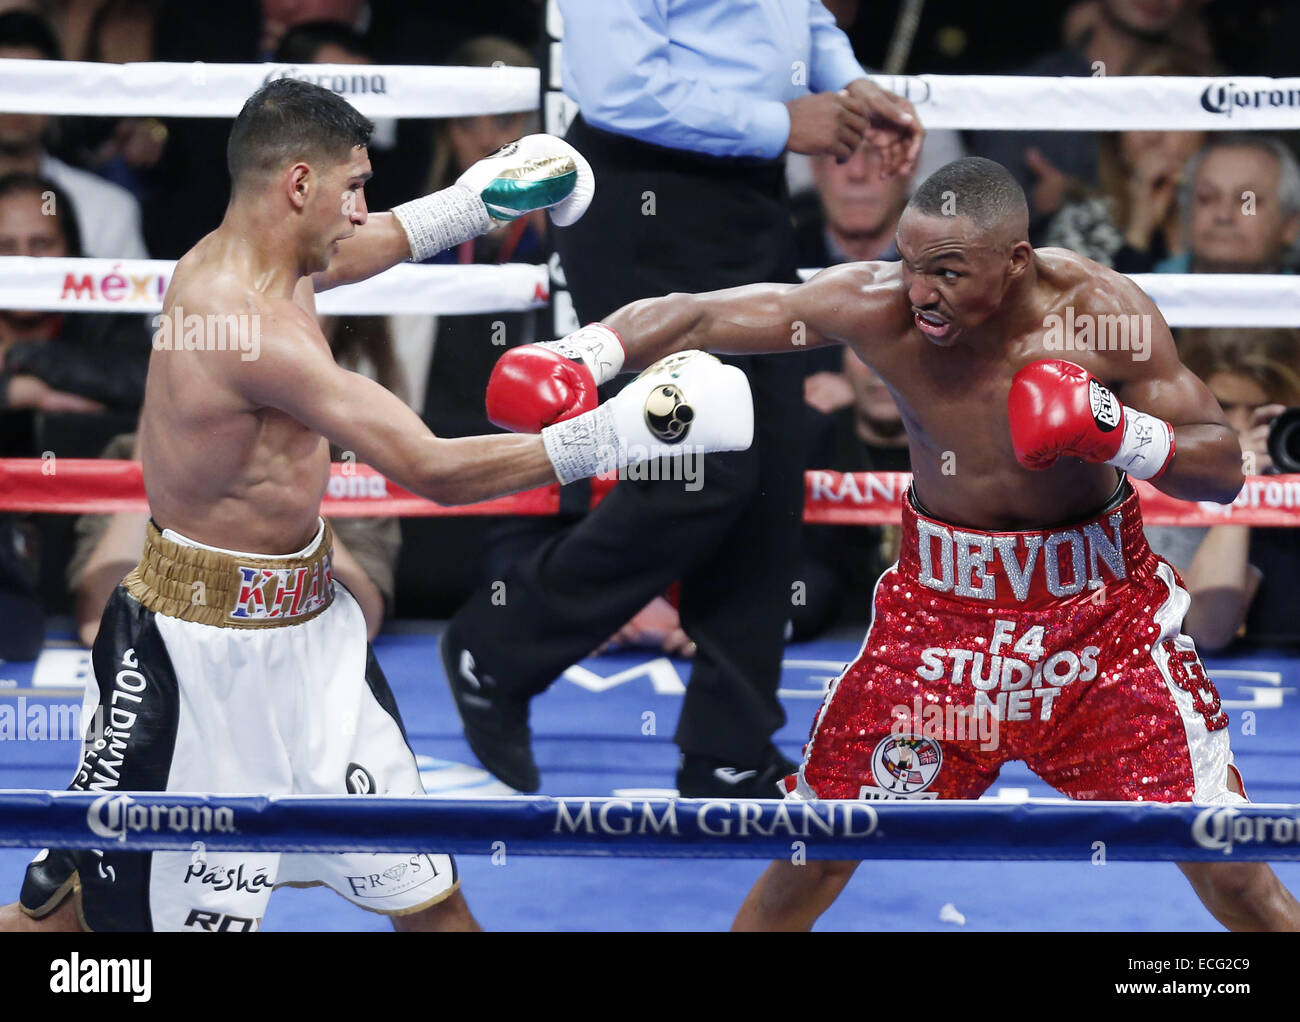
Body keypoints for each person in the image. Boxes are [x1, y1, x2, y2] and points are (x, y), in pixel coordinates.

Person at [0, 77, 753, 933]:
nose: (362, 209)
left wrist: (483, 198)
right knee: (79, 930)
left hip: (312, 630)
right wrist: (626, 432)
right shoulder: (247, 325)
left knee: (428, 897)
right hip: (196, 658)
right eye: (352, 187)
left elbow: (381, 239)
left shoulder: (264, 256)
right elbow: (429, 468)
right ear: (297, 186)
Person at [488, 156, 1300, 931]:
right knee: (809, 861)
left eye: (947, 270)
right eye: (910, 263)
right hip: (939, 630)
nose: (920, 292)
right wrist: (585, 354)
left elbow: (1222, 469)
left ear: (1017, 260)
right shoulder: (876, 305)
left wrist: (1118, 432)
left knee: (1228, 866)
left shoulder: (1101, 315)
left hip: (1100, 629)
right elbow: (702, 312)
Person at [441, 0, 923, 798]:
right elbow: (617, 87)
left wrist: (851, 87)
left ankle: (728, 746)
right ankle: (497, 643)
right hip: (642, 195)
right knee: (697, 469)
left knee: (770, 461)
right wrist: (779, 122)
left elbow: (793, 14)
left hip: (747, 195)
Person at [1147, 328, 1300, 649]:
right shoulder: (1165, 484)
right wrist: (1243, 483)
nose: (1240, 427)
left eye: (1261, 411)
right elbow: (1210, 628)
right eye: (1224, 407)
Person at [1042, 50, 1211, 273]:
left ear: (1209, 133)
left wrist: (1177, 234)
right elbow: (1089, 308)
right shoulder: (1082, 224)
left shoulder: (1227, 216)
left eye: (1171, 116)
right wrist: (1139, 233)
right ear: (1118, 140)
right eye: (1138, 116)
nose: (1153, 136)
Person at [0, 9, 149, 259]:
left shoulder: (108, 210)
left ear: (58, 93)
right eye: (4, 85)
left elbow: (132, 297)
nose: (18, 102)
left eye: (33, 86)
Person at [1157, 134, 1300, 274]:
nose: (1223, 215)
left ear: (1290, 225)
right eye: (1207, 198)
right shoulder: (1144, 287)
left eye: (1247, 201)